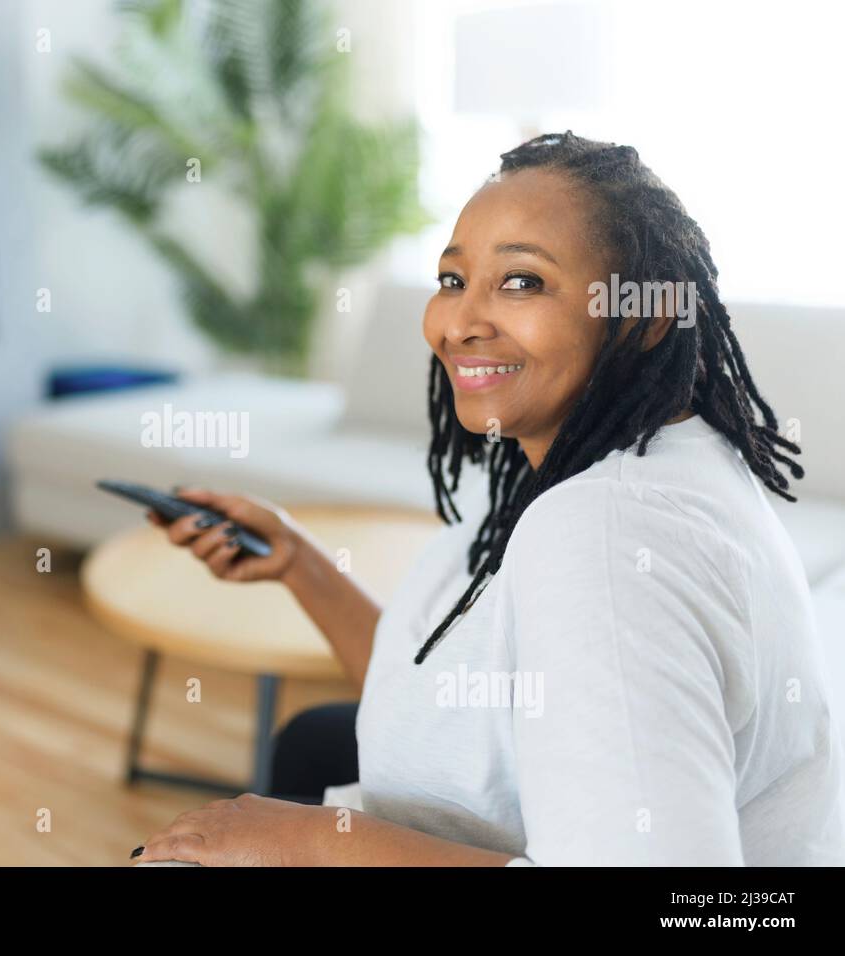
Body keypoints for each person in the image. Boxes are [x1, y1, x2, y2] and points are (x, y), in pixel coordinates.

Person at [132, 132, 845, 866]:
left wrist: (308, 842)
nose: (459, 323)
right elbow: (467, 688)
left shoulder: (604, 535)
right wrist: (298, 563)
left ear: (645, 318)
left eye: (522, 282)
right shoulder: (642, 457)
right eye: (451, 280)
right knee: (314, 738)